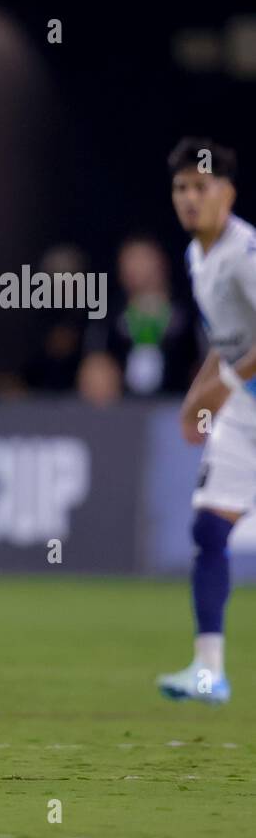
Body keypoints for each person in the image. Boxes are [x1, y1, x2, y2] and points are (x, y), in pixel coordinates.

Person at [157, 137, 256, 705]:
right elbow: (228, 341)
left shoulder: (243, 254)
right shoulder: (198, 255)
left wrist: (225, 388)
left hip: (245, 395)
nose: (190, 198)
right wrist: (200, 391)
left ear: (227, 193)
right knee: (210, 529)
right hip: (245, 407)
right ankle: (208, 669)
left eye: (201, 186)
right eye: (181, 188)